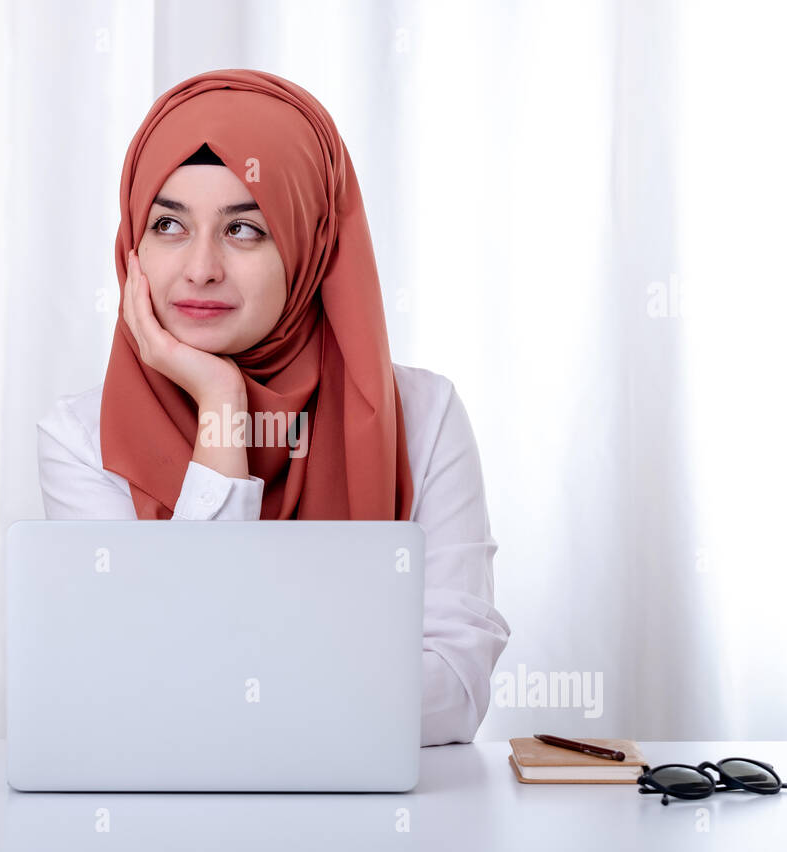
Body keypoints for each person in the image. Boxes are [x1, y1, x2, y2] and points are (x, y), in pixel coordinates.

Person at [37, 69, 510, 746]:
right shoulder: (83, 440)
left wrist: (230, 689)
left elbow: (454, 692)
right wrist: (222, 406)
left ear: (311, 245)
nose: (201, 267)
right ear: (132, 247)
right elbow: (136, 697)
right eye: (169, 224)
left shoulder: (423, 415)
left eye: (246, 230)